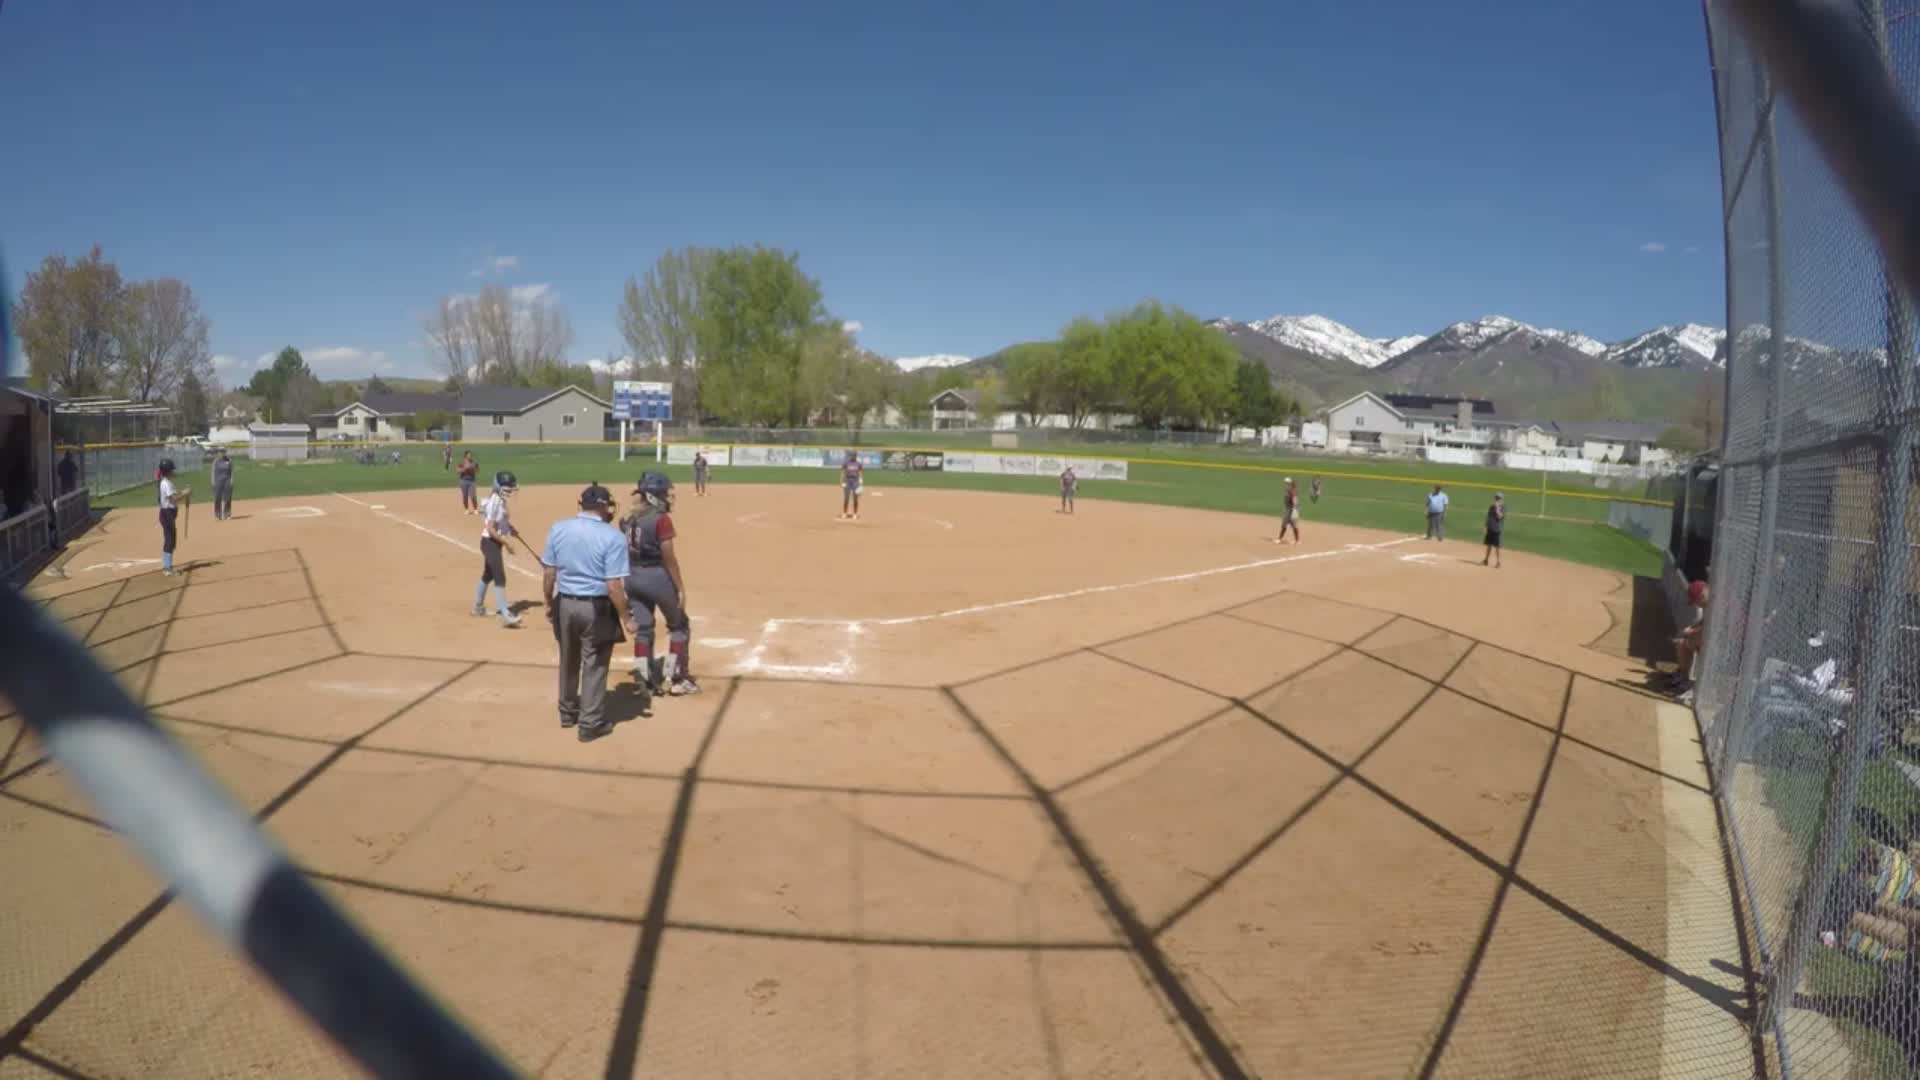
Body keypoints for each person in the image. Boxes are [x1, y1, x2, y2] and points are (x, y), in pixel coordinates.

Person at [541, 483, 632, 742]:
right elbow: (614, 586)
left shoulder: (559, 528)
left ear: (580, 504)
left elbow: (549, 573)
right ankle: (590, 723)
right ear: (603, 506)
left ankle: (567, 712)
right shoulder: (612, 537)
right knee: (595, 663)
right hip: (596, 607)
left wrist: (549, 603)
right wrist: (626, 618)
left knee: (568, 658)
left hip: (565, 604)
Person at [620, 471, 698, 696]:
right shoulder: (660, 519)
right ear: (654, 496)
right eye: (664, 493)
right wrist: (680, 588)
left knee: (643, 628)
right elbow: (668, 557)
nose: (667, 497)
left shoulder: (626, 517)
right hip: (657, 577)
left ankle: (644, 682)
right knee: (679, 625)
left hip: (632, 576)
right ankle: (676, 679)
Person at [473, 471, 523, 627]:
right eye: (508, 488)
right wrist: (506, 543)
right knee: (499, 576)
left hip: (494, 542)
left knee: (488, 575)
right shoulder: (495, 501)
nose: (510, 491)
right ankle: (505, 614)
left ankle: (478, 608)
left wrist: (510, 529)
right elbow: (490, 528)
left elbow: (501, 523)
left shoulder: (501, 500)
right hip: (489, 542)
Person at [1664, 579, 1710, 696]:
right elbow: (1703, 622)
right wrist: (1689, 629)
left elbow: (1712, 627)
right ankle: (1683, 675)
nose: (1696, 604)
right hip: (1713, 641)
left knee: (1689, 640)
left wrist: (1690, 632)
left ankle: (1691, 682)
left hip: (1728, 646)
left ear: (1702, 595)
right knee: (1682, 642)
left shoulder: (1715, 603)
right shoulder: (1707, 603)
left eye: (1695, 601)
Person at [156, 458, 190, 577]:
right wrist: (185, 494)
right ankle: (167, 568)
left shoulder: (167, 482)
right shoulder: (166, 483)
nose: (174, 472)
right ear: (169, 471)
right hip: (167, 514)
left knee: (170, 539)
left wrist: (183, 492)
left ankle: (167, 566)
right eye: (172, 470)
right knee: (170, 540)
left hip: (167, 514)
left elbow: (174, 495)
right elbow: (174, 499)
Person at [1276, 477, 1302, 544]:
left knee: (1294, 526)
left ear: (1291, 484)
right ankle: (1279, 539)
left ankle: (1297, 540)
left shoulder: (1292, 491)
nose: (1286, 484)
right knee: (1284, 525)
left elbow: (1295, 501)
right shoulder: (1288, 491)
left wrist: (1293, 508)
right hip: (1287, 510)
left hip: (1292, 510)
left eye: (1288, 483)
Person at [839, 450, 864, 521]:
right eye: (852, 455)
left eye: (854, 455)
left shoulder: (858, 463)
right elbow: (843, 472)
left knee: (855, 498)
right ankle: (844, 513)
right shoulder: (846, 463)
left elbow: (860, 472)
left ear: (856, 456)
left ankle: (855, 514)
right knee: (846, 498)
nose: (853, 456)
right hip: (847, 481)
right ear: (850, 456)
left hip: (855, 481)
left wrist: (861, 480)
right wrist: (841, 481)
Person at [1482, 493, 1505, 568]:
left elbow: (1500, 517)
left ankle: (1498, 562)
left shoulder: (1503, 507)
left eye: (1499, 498)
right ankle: (1486, 560)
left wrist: (1497, 508)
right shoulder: (1491, 507)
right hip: (1490, 528)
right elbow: (1488, 517)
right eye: (1496, 498)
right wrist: (1485, 526)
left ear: (1501, 499)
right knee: (1489, 545)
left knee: (1497, 547)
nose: (1497, 499)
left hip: (1497, 529)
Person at [211, 448, 234, 521]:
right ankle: (218, 514)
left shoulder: (229, 460)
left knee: (227, 498)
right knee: (217, 498)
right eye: (220, 451)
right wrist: (213, 481)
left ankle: (227, 514)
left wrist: (232, 480)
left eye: (223, 451)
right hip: (218, 481)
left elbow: (232, 472)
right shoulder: (215, 461)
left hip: (227, 480)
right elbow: (212, 472)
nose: (222, 453)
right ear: (218, 452)